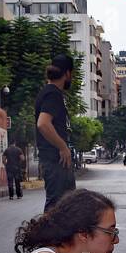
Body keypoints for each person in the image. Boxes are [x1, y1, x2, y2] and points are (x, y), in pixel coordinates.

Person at [35, 55, 76, 209]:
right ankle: (47, 233)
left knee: (67, 206)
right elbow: (43, 124)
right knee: (57, 208)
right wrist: (62, 147)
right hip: (55, 160)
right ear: (67, 73)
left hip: (55, 160)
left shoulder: (49, 92)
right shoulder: (53, 94)